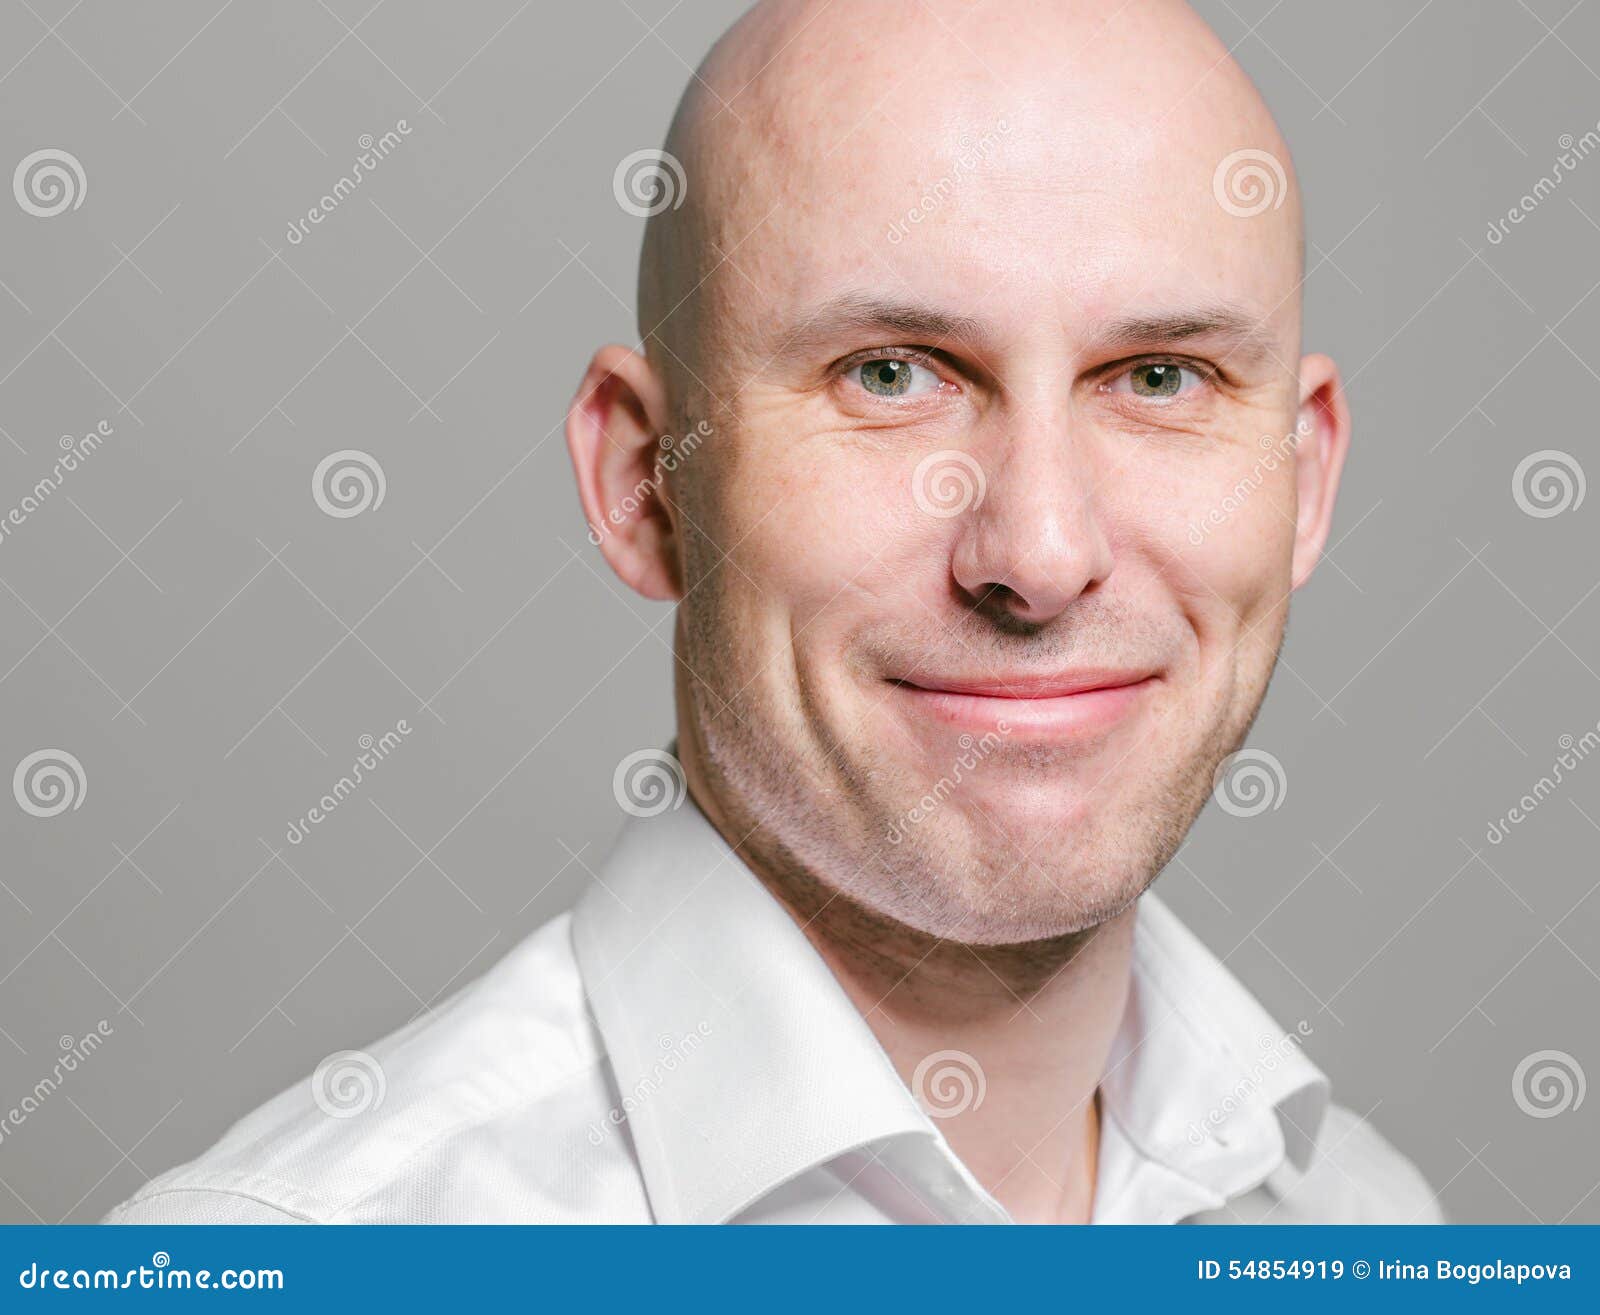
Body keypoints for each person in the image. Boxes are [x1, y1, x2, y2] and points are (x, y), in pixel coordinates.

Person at [108, 0, 1439, 1225]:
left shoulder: (1363, 1223)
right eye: (891, 372)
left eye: (1158, 376)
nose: (1038, 552)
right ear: (646, 484)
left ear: (1304, 479)